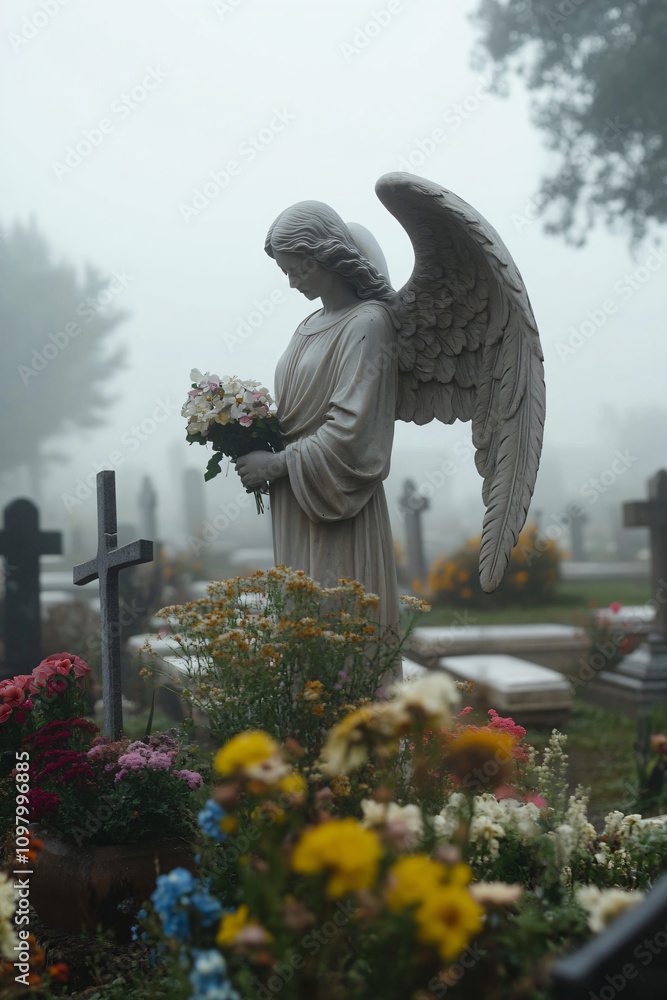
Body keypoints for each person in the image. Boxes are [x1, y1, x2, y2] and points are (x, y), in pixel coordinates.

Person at [235, 200, 399, 631]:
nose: (291, 283)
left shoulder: (369, 324)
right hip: (295, 497)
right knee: (299, 636)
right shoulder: (308, 323)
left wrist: (274, 463)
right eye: (285, 272)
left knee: (337, 633)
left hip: (338, 498)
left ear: (326, 254)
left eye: (299, 269)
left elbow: (354, 435)